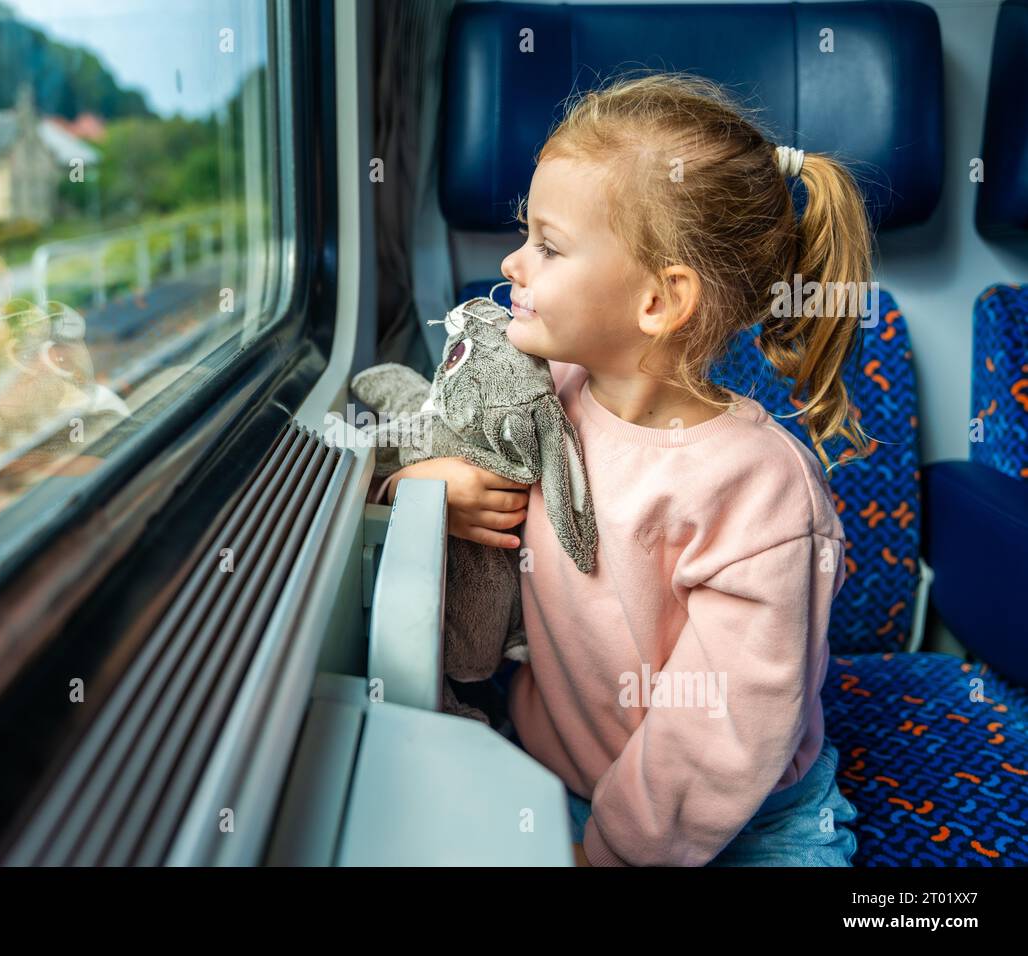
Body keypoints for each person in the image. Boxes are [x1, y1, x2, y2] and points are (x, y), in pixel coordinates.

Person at [369, 72, 867, 866]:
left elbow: (718, 737)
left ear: (660, 302)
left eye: (548, 245)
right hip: (552, 773)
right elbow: (428, 446)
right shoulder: (542, 399)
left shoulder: (763, 493)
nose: (512, 263)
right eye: (522, 233)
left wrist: (606, 856)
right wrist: (420, 491)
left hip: (741, 816)